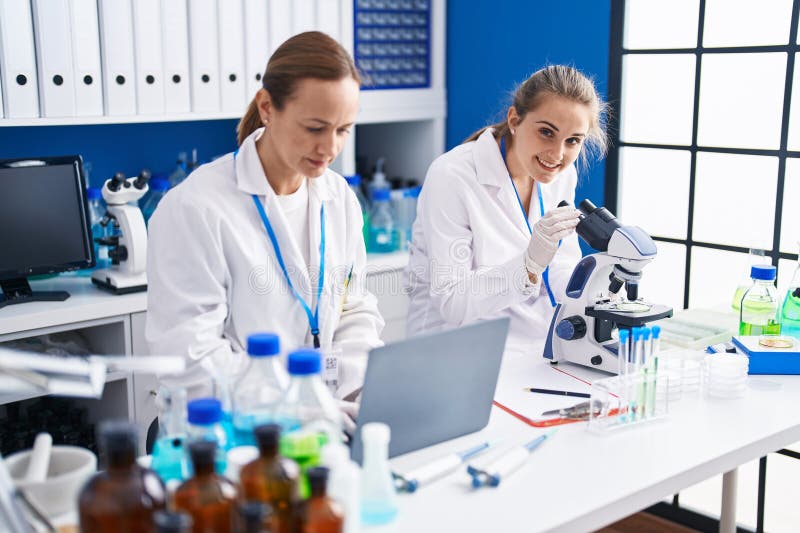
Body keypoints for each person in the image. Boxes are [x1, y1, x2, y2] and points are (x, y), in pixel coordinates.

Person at [146, 32, 384, 403]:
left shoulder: (338, 198)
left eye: (343, 130)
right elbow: (191, 360)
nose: (330, 148)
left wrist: (361, 391)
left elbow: (352, 307)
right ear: (268, 107)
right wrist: (300, 403)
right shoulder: (194, 208)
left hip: (321, 420)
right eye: (315, 128)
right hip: (231, 427)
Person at [404, 65, 608, 354]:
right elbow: (452, 303)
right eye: (546, 132)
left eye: (573, 140)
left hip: (534, 345)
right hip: (455, 347)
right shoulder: (452, 176)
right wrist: (528, 265)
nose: (557, 155)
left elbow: (561, 265)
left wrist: (599, 290)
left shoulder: (562, 175)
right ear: (514, 119)